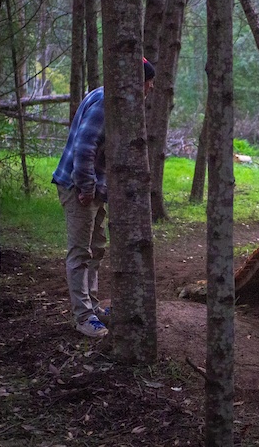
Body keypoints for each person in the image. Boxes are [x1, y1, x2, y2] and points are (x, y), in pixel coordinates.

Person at [52, 58, 156, 338]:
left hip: (93, 188)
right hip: (78, 188)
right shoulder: (105, 103)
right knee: (80, 252)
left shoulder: (111, 99)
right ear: (135, 81)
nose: (151, 86)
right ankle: (83, 316)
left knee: (96, 249)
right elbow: (84, 149)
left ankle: (93, 307)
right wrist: (86, 188)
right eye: (148, 81)